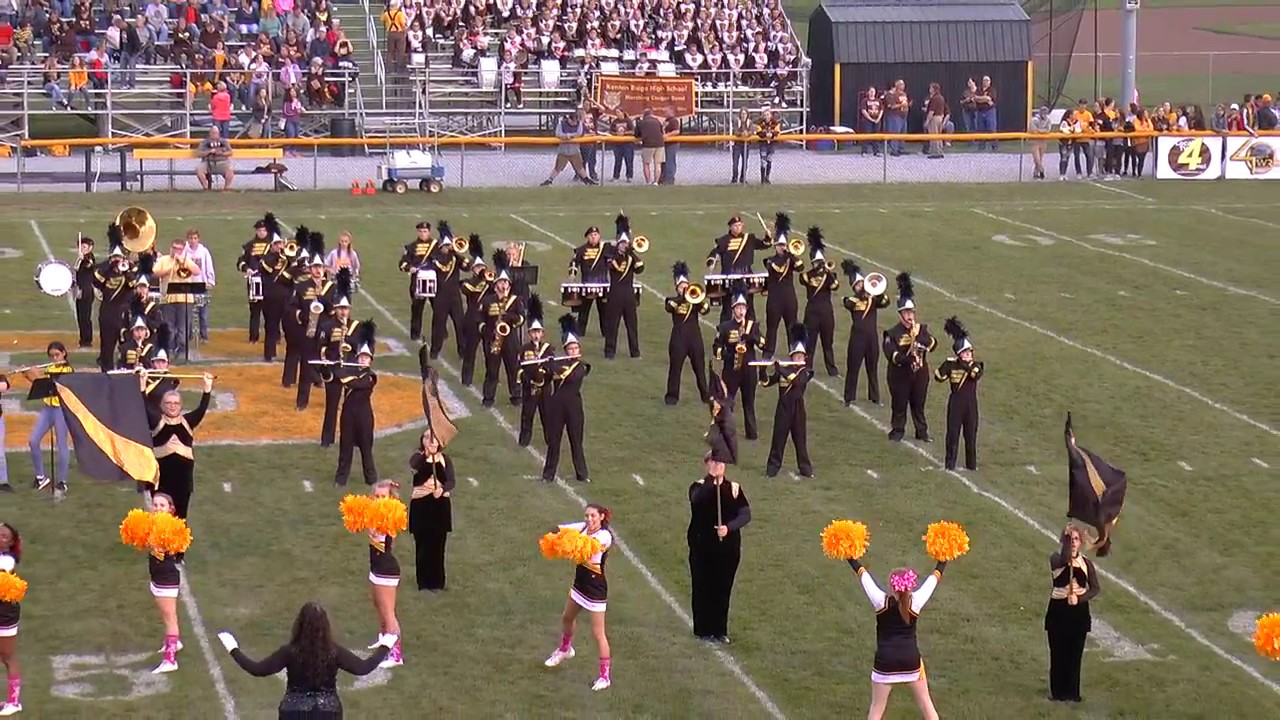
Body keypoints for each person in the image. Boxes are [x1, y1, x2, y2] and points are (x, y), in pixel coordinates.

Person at [218, 602, 396, 718]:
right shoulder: (334, 652)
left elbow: (257, 669)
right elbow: (363, 668)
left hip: (293, 712)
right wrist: (385, 647)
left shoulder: (289, 652)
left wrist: (233, 649)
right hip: (328, 712)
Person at [689, 373, 751, 643]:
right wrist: (711, 482)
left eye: (720, 463)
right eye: (713, 463)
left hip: (727, 547)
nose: (717, 466)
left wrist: (729, 527)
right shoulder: (698, 486)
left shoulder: (734, 488)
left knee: (723, 588)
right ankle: (703, 628)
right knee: (702, 588)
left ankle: (720, 629)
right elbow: (697, 502)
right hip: (703, 546)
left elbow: (745, 513)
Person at [845, 556, 947, 719]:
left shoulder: (880, 602)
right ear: (910, 587)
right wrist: (943, 560)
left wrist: (851, 558)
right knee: (927, 705)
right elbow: (933, 580)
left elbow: (864, 577)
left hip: (885, 662)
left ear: (892, 588)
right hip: (911, 660)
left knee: (877, 708)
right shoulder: (916, 602)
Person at [543, 503, 614, 691]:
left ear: (601, 517)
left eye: (592, 516)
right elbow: (560, 528)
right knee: (567, 617)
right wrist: (553, 534)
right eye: (586, 516)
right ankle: (566, 649)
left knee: (598, 633)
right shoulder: (583, 528)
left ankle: (605, 676)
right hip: (580, 583)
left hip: (595, 588)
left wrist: (568, 543)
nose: (589, 519)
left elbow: (587, 548)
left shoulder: (604, 536)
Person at [144, 373, 213, 521]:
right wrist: (142, 385)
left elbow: (201, 409)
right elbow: (144, 406)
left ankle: (178, 544)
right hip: (162, 479)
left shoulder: (188, 421)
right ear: (162, 406)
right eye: (168, 403)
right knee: (161, 517)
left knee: (180, 518)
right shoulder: (157, 421)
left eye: (176, 403)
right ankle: (159, 544)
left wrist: (207, 388)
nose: (172, 406)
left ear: (181, 406)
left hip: (183, 480)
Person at [1046, 524, 1100, 703]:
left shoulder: (1087, 564)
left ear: (1081, 542)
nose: (1074, 543)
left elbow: (1095, 588)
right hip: (1058, 612)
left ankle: (1072, 693)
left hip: (1078, 613)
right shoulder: (1056, 559)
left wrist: (1080, 598)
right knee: (1058, 652)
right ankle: (1057, 693)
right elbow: (1063, 559)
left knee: (1074, 654)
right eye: (1070, 539)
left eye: (1076, 539)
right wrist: (1067, 543)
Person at [883, 273, 936, 442]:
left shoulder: (921, 329)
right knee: (899, 405)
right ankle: (897, 431)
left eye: (911, 312)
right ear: (900, 314)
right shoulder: (892, 333)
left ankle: (922, 432)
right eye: (906, 313)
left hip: (919, 374)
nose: (909, 316)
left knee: (918, 404)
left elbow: (933, 345)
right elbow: (892, 355)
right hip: (900, 375)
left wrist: (922, 341)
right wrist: (908, 357)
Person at [541, 316, 590, 484]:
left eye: (576, 348)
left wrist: (552, 364)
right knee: (554, 442)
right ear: (566, 350)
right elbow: (546, 378)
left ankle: (582, 474)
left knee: (576, 441)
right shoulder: (558, 364)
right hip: (557, 406)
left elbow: (569, 377)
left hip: (574, 407)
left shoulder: (582, 366)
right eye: (570, 349)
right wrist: (545, 365)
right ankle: (548, 475)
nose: (573, 351)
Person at [762, 325, 814, 478]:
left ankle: (805, 469)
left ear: (804, 358)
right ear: (791, 356)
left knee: (800, 441)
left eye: (800, 356)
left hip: (797, 409)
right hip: (783, 409)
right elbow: (766, 383)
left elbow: (797, 382)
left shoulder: (806, 371)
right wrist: (762, 371)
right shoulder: (784, 369)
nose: (798, 358)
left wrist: (780, 369)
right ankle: (772, 469)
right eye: (795, 356)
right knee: (778, 440)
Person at [24, 342, 73, 500]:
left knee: (61, 445)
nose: (54, 358)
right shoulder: (50, 368)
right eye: (51, 356)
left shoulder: (68, 370)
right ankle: (41, 477)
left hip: (61, 410)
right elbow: (44, 387)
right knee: (33, 441)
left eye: (57, 355)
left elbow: (56, 385)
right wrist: (29, 375)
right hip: (47, 409)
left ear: (64, 354)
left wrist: (37, 376)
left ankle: (62, 481)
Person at [712, 290, 763, 441]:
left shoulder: (752, 326)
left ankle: (751, 433)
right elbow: (716, 348)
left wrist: (753, 338)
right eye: (738, 308)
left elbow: (763, 344)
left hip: (748, 370)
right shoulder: (724, 327)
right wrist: (726, 355)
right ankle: (725, 431)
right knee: (727, 401)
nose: (741, 311)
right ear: (733, 309)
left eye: (743, 308)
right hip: (731, 370)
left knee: (749, 402)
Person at [934, 318, 983, 471]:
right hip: (955, 402)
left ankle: (971, 465)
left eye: (970, 352)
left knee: (970, 435)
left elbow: (975, 374)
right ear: (959, 354)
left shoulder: (976, 365)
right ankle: (949, 464)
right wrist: (948, 365)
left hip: (970, 404)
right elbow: (938, 376)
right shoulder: (951, 364)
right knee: (952, 434)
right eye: (966, 352)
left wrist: (962, 363)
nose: (969, 354)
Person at [289, 244, 335, 406]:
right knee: (306, 365)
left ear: (324, 269)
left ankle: (333, 401)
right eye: (315, 267)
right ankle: (302, 402)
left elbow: (336, 310)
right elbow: (293, 306)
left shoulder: (331, 288)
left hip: (326, 332)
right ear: (310, 268)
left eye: (320, 267)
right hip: (308, 330)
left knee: (330, 365)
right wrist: (302, 316)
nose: (317, 270)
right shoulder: (302, 286)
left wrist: (324, 299)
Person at [408, 431, 454, 592]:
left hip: (440, 505)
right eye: (426, 437)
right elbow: (418, 477)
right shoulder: (417, 458)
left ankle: (438, 583)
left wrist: (442, 490)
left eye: (433, 437)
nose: (429, 440)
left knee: (438, 546)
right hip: (421, 506)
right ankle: (424, 584)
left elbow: (451, 481)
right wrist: (428, 456)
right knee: (423, 546)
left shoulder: (445, 459)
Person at [334, 324, 378, 487]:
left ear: (370, 361)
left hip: (364, 417)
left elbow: (354, 383)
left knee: (366, 449)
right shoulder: (349, 371)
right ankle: (341, 479)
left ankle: (371, 479)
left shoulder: (371, 377)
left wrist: (339, 371)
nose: (363, 359)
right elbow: (333, 378)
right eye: (361, 357)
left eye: (366, 358)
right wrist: (332, 367)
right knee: (345, 448)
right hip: (348, 415)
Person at [365, 481, 403, 668]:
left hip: (386, 571)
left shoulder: (390, 517)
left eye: (384, 497)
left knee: (388, 615)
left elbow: (376, 529)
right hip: (376, 568)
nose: (379, 500)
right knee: (379, 610)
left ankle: (395, 655)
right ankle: (383, 646)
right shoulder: (374, 514)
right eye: (377, 496)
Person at [841, 261, 890, 405]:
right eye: (858, 285)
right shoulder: (852, 299)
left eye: (862, 283)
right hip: (857, 338)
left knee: (872, 368)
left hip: (872, 338)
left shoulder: (873, 299)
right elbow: (848, 303)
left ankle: (875, 397)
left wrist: (877, 291)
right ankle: (848, 398)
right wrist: (864, 295)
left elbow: (886, 302)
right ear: (853, 287)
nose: (861, 286)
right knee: (853, 368)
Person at [705, 215, 771, 323]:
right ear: (730, 227)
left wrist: (768, 237)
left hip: (746, 276)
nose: (738, 228)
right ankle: (724, 332)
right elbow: (714, 254)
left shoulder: (749, 239)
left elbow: (764, 245)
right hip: (728, 277)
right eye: (735, 225)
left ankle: (751, 332)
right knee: (727, 308)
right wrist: (711, 261)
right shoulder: (723, 241)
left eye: (740, 225)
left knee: (749, 306)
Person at [317, 279, 359, 447]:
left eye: (346, 309)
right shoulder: (327, 326)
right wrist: (330, 358)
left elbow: (362, 350)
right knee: (331, 407)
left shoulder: (356, 327)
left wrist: (351, 348)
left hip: (350, 372)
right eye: (341, 309)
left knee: (352, 409)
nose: (344, 312)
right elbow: (320, 348)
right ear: (335, 309)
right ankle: (327, 439)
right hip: (334, 371)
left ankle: (352, 439)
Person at [480, 258, 525, 408]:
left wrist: (509, 317)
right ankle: (488, 398)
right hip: (493, 339)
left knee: (513, 368)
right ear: (495, 285)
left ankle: (516, 395)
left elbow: (521, 319)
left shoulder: (515, 300)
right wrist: (486, 331)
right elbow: (479, 319)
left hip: (510, 339)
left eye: (506, 283)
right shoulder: (487, 301)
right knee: (492, 370)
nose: (504, 285)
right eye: (501, 282)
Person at [663, 261, 710, 406]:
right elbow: (670, 307)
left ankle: (705, 395)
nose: (684, 288)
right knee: (675, 368)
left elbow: (706, 310)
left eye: (685, 286)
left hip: (695, 337)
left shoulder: (695, 301)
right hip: (678, 337)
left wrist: (697, 299)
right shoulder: (672, 300)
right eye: (681, 286)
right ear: (677, 287)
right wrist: (683, 297)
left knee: (699, 368)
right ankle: (672, 396)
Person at [147, 492, 184, 675]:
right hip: (157, 577)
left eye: (162, 505)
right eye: (155, 505)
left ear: (170, 509)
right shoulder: (154, 525)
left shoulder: (171, 529)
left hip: (166, 580)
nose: (158, 508)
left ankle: (170, 660)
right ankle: (174, 643)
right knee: (168, 614)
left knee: (169, 618)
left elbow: (173, 547)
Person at [602, 215, 643, 360]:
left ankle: (635, 352)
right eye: (622, 243)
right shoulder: (611, 255)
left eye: (626, 243)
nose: (624, 245)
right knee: (612, 325)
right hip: (615, 295)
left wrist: (632, 253)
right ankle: (609, 352)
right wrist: (623, 255)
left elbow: (640, 268)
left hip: (629, 295)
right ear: (618, 244)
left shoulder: (631, 257)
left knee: (632, 325)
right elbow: (615, 267)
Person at [760, 214, 802, 357]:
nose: (781, 248)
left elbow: (801, 268)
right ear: (775, 246)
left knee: (792, 328)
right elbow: (776, 268)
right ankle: (767, 355)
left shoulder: (791, 259)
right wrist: (787, 257)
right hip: (774, 300)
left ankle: (794, 354)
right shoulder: (769, 260)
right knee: (771, 329)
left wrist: (792, 255)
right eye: (779, 245)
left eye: (783, 245)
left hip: (790, 299)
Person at [799, 228, 840, 376]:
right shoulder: (808, 275)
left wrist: (827, 272)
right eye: (816, 262)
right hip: (812, 312)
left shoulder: (830, 276)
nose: (819, 264)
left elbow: (836, 286)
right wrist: (817, 272)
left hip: (826, 312)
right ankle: (807, 367)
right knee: (810, 343)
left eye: (821, 261)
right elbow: (803, 279)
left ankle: (832, 369)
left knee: (828, 343)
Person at [517, 296, 554, 447]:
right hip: (529, 388)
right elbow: (519, 368)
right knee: (527, 416)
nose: (536, 335)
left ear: (542, 333)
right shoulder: (524, 349)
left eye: (538, 332)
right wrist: (527, 379)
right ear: (529, 333)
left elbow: (552, 368)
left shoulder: (549, 349)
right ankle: (524, 440)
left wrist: (545, 377)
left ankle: (550, 440)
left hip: (544, 388)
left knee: (547, 416)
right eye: (533, 332)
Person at [426, 224, 467, 361]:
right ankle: (435, 350)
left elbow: (467, 267)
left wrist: (458, 253)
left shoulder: (455, 256)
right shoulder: (435, 256)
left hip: (455, 296)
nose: (448, 247)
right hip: (440, 296)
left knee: (460, 324)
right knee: (438, 325)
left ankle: (463, 350)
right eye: (447, 245)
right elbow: (433, 265)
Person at [94, 235, 134, 371]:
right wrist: (109, 268)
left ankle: (126, 371)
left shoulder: (130, 268)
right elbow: (97, 282)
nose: (117, 261)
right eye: (114, 258)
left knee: (127, 346)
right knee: (107, 346)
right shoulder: (104, 269)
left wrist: (126, 271)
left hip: (123, 313)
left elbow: (133, 285)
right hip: (107, 312)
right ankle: (107, 371)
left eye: (119, 258)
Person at [238, 215, 276, 344]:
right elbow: (240, 262)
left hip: (269, 283)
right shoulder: (249, 246)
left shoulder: (273, 245)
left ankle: (273, 336)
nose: (261, 232)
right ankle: (253, 337)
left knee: (270, 312)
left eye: (264, 230)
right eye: (259, 230)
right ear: (256, 231)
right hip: (253, 282)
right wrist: (246, 269)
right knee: (255, 311)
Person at [397, 221, 438, 342]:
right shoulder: (411, 247)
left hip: (433, 282)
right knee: (417, 308)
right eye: (420, 231)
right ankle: (415, 333)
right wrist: (410, 268)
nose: (422, 234)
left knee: (439, 308)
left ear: (429, 232)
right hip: (417, 282)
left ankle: (440, 332)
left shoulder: (436, 246)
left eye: (425, 231)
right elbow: (402, 263)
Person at [567, 225, 611, 337]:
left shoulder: (606, 248)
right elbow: (574, 263)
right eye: (591, 235)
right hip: (587, 285)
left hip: (603, 285)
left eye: (596, 235)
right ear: (588, 237)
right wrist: (572, 274)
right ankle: (580, 332)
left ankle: (606, 333)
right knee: (583, 311)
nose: (594, 237)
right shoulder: (581, 250)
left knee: (605, 312)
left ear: (599, 236)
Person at [459, 245, 492, 387]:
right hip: (472, 320)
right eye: (477, 268)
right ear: (472, 270)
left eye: (482, 267)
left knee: (489, 354)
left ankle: (490, 381)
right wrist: (480, 279)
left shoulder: (491, 283)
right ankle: (466, 380)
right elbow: (468, 290)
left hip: (487, 321)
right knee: (470, 352)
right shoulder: (468, 282)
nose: (480, 270)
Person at [0, 523, 22, 716]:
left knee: (7, 656)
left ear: (11, 542)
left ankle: (14, 702)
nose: (0, 538)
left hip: (4, 613)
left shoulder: (8, 560)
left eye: (4, 536)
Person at [184, 229, 215, 344]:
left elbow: (208, 266)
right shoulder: (184, 252)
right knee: (188, 313)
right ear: (188, 239)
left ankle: (204, 336)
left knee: (203, 314)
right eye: (191, 238)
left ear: (198, 239)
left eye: (195, 238)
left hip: (201, 285)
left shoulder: (204, 251)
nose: (193, 241)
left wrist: (210, 281)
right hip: (189, 286)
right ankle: (189, 335)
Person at [73, 236, 97, 348]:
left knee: (85, 317)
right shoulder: (81, 259)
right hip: (80, 290)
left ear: (90, 248)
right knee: (80, 316)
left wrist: (84, 258)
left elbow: (90, 264)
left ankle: (87, 340)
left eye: (84, 247)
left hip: (86, 291)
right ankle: (83, 339)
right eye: (80, 247)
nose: (81, 249)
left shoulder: (89, 258)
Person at [195, 125, 234, 190]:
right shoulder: (205, 142)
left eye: (216, 133)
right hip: (207, 162)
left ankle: (227, 188)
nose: (214, 134)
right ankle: (205, 188)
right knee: (199, 169)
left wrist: (222, 153)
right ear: (210, 133)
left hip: (222, 162)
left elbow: (230, 152)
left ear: (218, 133)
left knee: (230, 169)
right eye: (213, 133)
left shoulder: (223, 141)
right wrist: (209, 152)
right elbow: (199, 153)